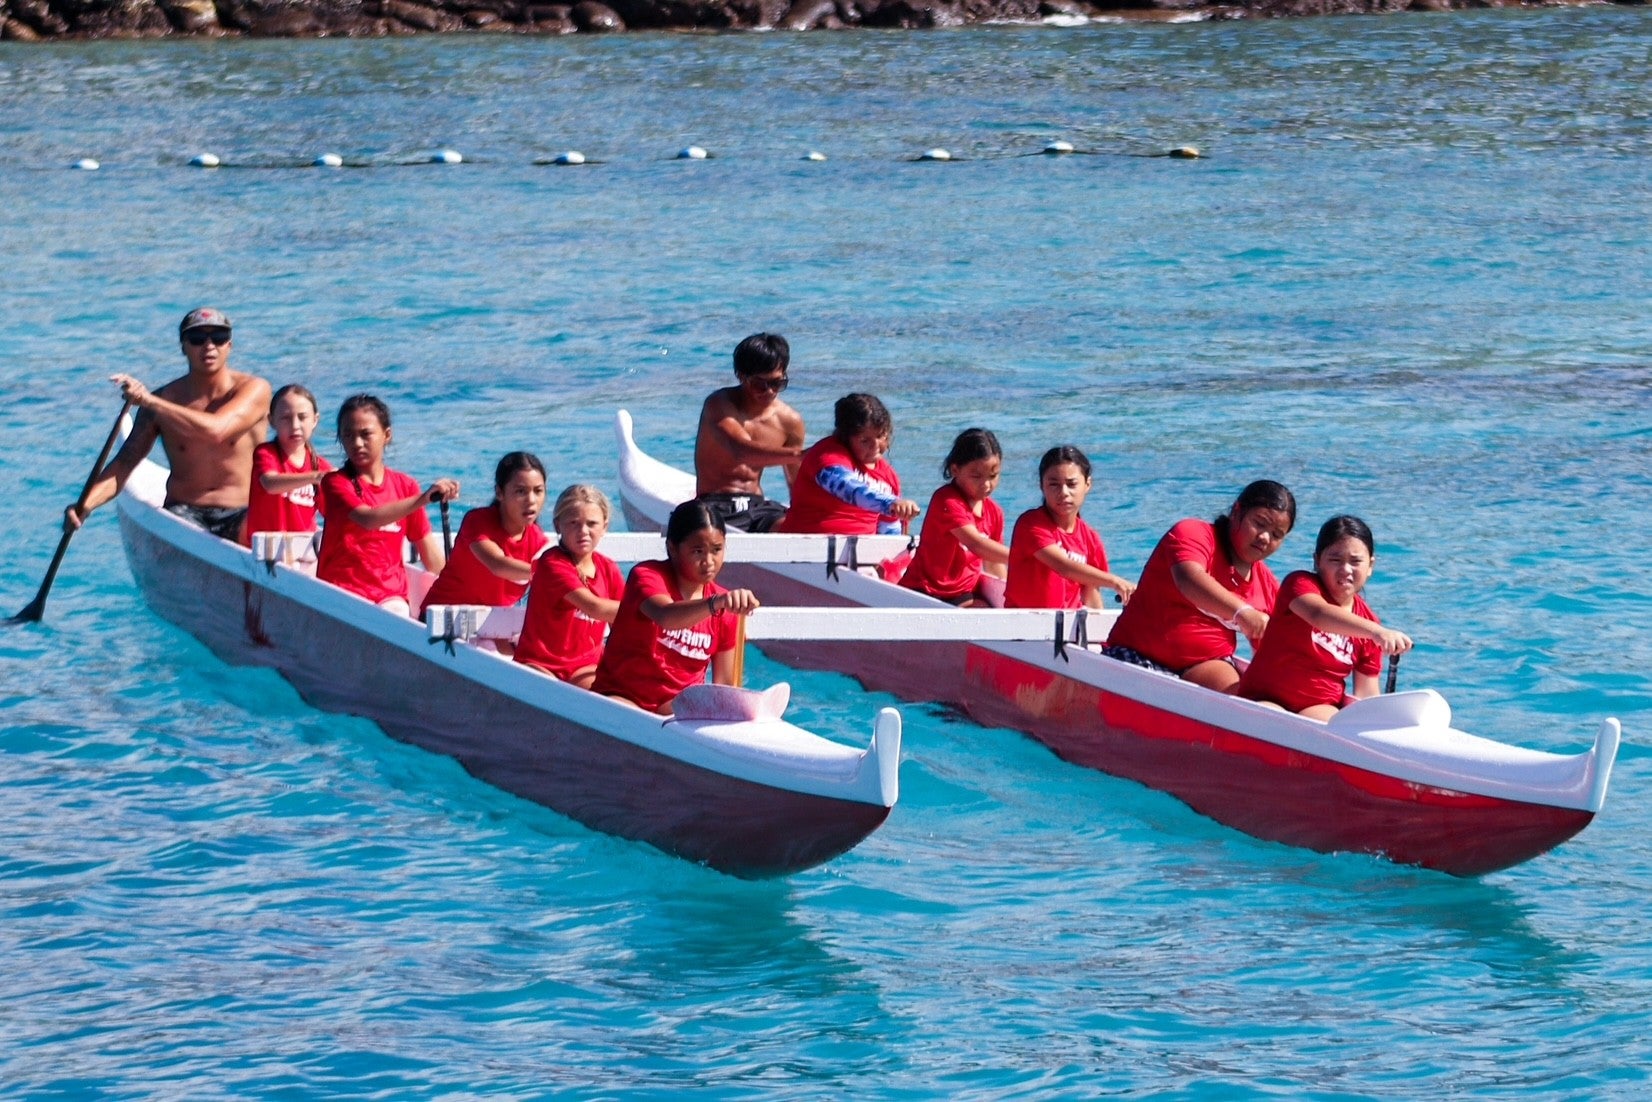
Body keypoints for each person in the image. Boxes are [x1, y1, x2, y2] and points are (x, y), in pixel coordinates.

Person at [65, 307, 272, 542]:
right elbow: (124, 464)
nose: (209, 346)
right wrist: (85, 505)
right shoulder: (163, 399)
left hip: (243, 511)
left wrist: (150, 401)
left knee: (265, 530)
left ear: (229, 345)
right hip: (185, 512)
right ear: (183, 347)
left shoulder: (255, 389)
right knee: (185, 533)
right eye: (197, 339)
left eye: (219, 338)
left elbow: (217, 430)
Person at [1103, 480, 1296, 692]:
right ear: (1237, 511)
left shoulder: (1267, 586)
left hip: (1205, 664)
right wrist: (1242, 612)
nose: (1265, 538)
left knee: (1246, 696)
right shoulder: (1194, 533)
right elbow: (1189, 579)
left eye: (1277, 535)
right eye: (1259, 523)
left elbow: (1272, 654)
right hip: (1137, 655)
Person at [590, 500, 760, 715]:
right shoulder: (647, 576)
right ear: (672, 547)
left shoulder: (724, 610)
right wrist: (715, 603)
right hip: (622, 697)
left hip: (675, 710)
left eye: (716, 550)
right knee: (621, 710)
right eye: (697, 551)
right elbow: (665, 615)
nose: (709, 561)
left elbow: (725, 685)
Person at [1237, 515, 1413, 720]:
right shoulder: (1299, 585)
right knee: (1272, 718)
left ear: (1370, 565)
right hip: (1265, 699)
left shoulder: (1369, 624)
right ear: (1317, 560)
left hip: (1319, 706)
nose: (1345, 570)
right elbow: (1318, 614)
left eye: (1356, 561)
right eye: (1335, 560)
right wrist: (1377, 632)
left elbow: (1366, 695)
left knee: (1336, 725)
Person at [315, 394, 459, 617]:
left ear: (386, 435)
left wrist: (455, 587)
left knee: (398, 614)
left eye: (365, 434)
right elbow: (368, 518)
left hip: (390, 597)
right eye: (348, 435)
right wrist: (424, 498)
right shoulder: (335, 483)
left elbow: (430, 556)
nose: (356, 443)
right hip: (342, 594)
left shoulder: (405, 486)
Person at [419, 453, 550, 625]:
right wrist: (549, 572)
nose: (531, 500)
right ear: (499, 493)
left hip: (491, 626)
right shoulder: (477, 522)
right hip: (441, 623)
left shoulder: (538, 538)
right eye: (521, 491)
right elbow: (497, 564)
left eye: (538, 491)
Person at [693, 333, 805, 533]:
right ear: (741, 376)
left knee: (797, 527)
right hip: (715, 505)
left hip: (759, 507)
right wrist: (800, 455)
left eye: (777, 383)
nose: (769, 391)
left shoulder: (790, 421)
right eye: (760, 384)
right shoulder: (719, 405)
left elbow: (796, 484)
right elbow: (740, 451)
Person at [515, 485, 624, 689]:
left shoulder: (608, 568)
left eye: (592, 524)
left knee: (617, 688)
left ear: (605, 527)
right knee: (548, 690)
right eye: (573, 523)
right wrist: (652, 611)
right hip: (541, 664)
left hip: (585, 667)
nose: (583, 531)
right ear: (558, 526)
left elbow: (625, 625)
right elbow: (595, 608)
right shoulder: (552, 563)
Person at [1004, 445, 1135, 610]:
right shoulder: (1031, 524)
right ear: (1041, 486)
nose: (1064, 492)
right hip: (1025, 629)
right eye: (1054, 484)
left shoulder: (1091, 538)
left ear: (1087, 484)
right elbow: (1063, 566)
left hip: (1068, 629)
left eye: (1071, 484)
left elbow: (1091, 595)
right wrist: (1115, 581)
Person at [775, 393, 920, 535]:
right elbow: (848, 489)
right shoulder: (827, 454)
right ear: (846, 437)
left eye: (881, 436)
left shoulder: (889, 476)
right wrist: (890, 504)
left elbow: (890, 530)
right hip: (805, 548)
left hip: (860, 553)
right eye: (865, 440)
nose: (876, 445)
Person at [899, 428, 1009, 606]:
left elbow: (993, 561)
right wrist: (1023, 557)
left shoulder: (995, 512)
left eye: (993, 476)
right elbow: (976, 544)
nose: (987, 484)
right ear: (955, 469)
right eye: (976, 476)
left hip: (963, 593)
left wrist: (1005, 595)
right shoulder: (946, 500)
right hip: (924, 590)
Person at [244, 384, 332, 548]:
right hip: (267, 549)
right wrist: (315, 477)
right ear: (271, 421)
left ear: (315, 420)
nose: (295, 425)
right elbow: (270, 483)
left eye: (302, 417)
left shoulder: (320, 465)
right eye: (285, 418)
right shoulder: (266, 454)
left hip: (303, 547)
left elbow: (332, 512)